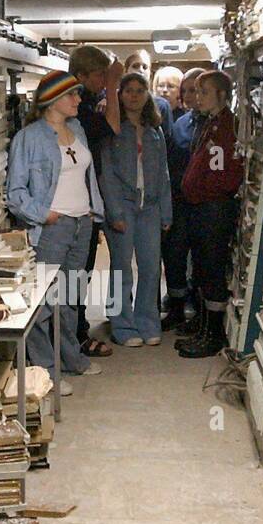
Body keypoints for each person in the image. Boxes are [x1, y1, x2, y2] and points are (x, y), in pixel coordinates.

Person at [6, 71, 106, 394]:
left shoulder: (76, 129)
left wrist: (93, 210)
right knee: (44, 302)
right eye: (72, 95)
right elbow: (16, 192)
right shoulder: (29, 138)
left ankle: (71, 359)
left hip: (81, 224)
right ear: (52, 100)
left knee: (71, 297)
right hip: (52, 227)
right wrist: (44, 215)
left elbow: (87, 176)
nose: (79, 100)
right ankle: (47, 371)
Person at [99, 73, 172, 347]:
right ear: (120, 95)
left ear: (147, 95)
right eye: (128, 90)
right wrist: (114, 212)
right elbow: (106, 173)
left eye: (140, 90)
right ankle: (122, 324)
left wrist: (166, 211)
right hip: (124, 206)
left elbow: (164, 173)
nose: (134, 95)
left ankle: (147, 323)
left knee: (151, 267)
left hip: (150, 207)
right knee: (121, 268)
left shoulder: (155, 129)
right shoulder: (114, 128)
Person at [176, 69, 243, 359]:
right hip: (201, 207)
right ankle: (203, 325)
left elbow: (222, 176)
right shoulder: (209, 123)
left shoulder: (224, 128)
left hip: (213, 209)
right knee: (202, 270)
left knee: (212, 271)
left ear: (222, 96)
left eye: (204, 92)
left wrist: (202, 195)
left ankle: (213, 335)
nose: (198, 97)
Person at [65, 45, 124, 360]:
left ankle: (77, 332)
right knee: (76, 276)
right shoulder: (80, 112)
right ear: (81, 75)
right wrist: (114, 85)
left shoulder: (84, 107)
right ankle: (74, 338)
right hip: (77, 210)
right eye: (100, 74)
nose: (104, 79)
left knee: (81, 275)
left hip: (86, 206)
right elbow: (113, 127)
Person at [161, 66, 207, 331]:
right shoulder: (180, 124)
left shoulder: (219, 124)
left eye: (196, 91)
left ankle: (200, 311)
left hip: (203, 203)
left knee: (202, 259)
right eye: (187, 91)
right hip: (179, 200)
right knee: (175, 255)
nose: (191, 96)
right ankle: (177, 308)